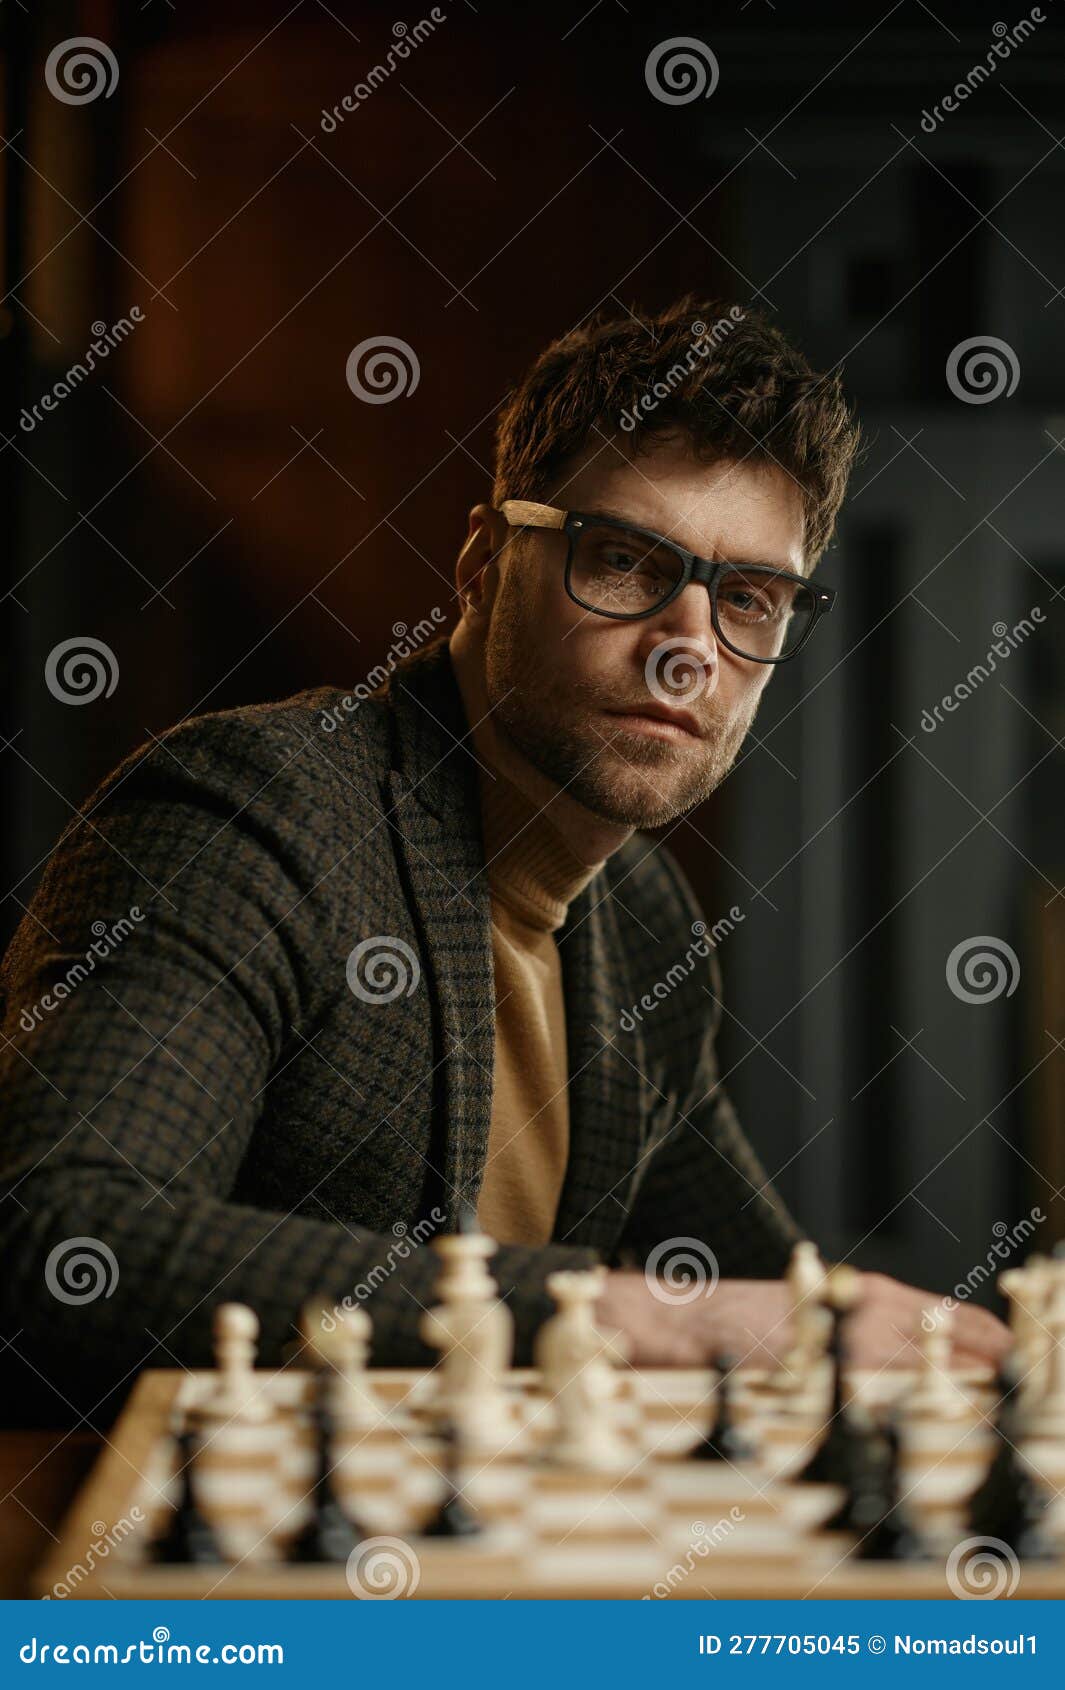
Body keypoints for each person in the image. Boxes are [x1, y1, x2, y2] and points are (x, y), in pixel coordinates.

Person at [0, 297, 1008, 1423]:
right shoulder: (249, 817)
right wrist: (641, 1318)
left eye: (749, 601)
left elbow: (762, 1293)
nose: (688, 648)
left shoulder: (642, 918)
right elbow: (58, 1235)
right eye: (625, 561)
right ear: (483, 562)